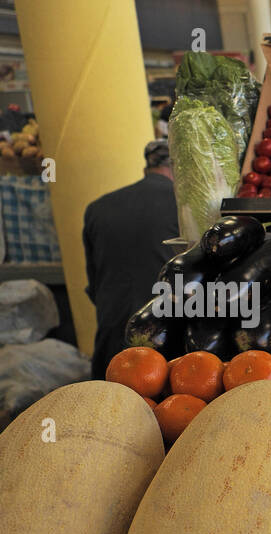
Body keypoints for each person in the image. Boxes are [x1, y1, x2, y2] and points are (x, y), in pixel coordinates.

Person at [85, 140, 177, 379]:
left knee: (105, 408)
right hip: (164, 336)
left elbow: (94, 284)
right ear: (177, 168)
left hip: (112, 332)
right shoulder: (182, 204)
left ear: (146, 168)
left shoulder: (97, 208)